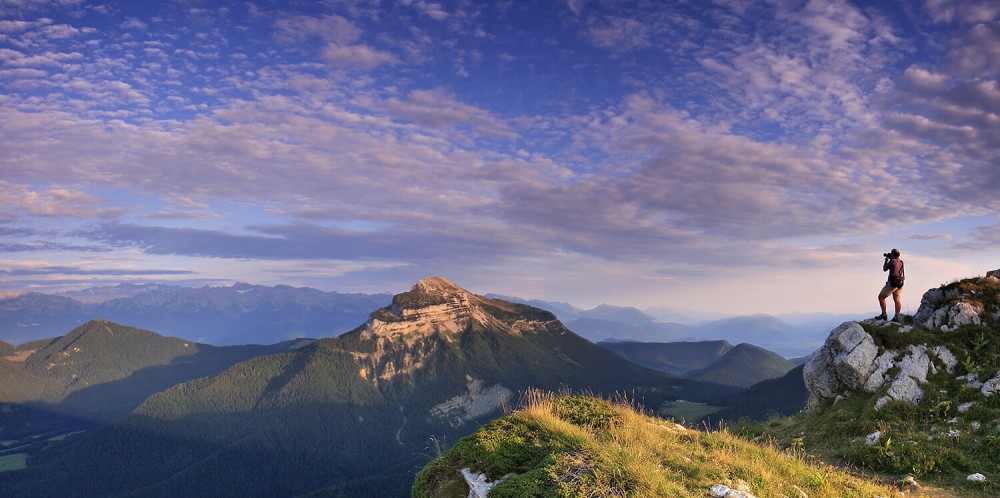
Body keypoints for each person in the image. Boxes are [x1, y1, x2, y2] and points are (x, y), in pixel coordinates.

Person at [876, 248, 905, 322]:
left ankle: (884, 315)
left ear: (892, 254)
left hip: (892, 283)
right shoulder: (901, 262)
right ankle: (896, 317)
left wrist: (886, 260)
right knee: (897, 300)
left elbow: (885, 269)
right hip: (900, 283)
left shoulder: (892, 261)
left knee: (881, 297)